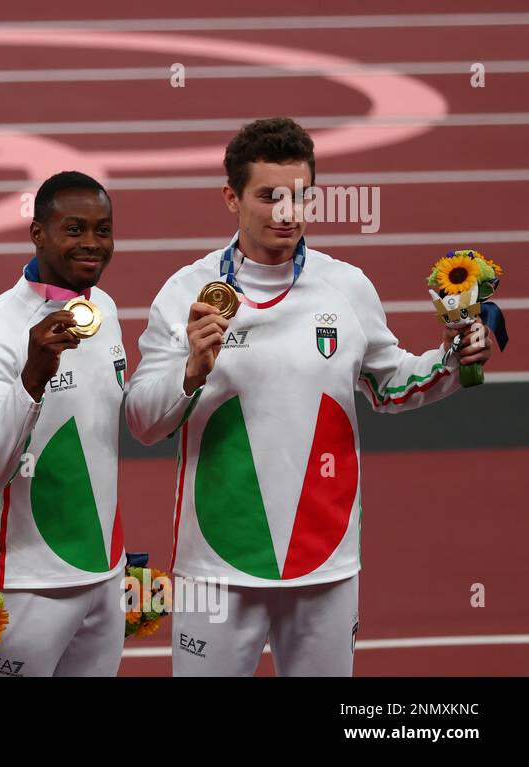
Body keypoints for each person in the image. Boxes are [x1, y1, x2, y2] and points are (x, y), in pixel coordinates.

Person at [125, 118, 494, 676]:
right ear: (232, 197)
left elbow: (391, 386)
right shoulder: (185, 294)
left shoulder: (347, 288)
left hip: (326, 563)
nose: (286, 212)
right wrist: (191, 372)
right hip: (216, 569)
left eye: (300, 196)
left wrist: (451, 359)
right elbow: (142, 423)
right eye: (269, 196)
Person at [0, 171, 128, 677]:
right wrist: (30, 379)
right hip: (26, 585)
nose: (92, 244)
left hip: (105, 575)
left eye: (103, 230)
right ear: (38, 233)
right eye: (74, 230)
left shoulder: (105, 311)